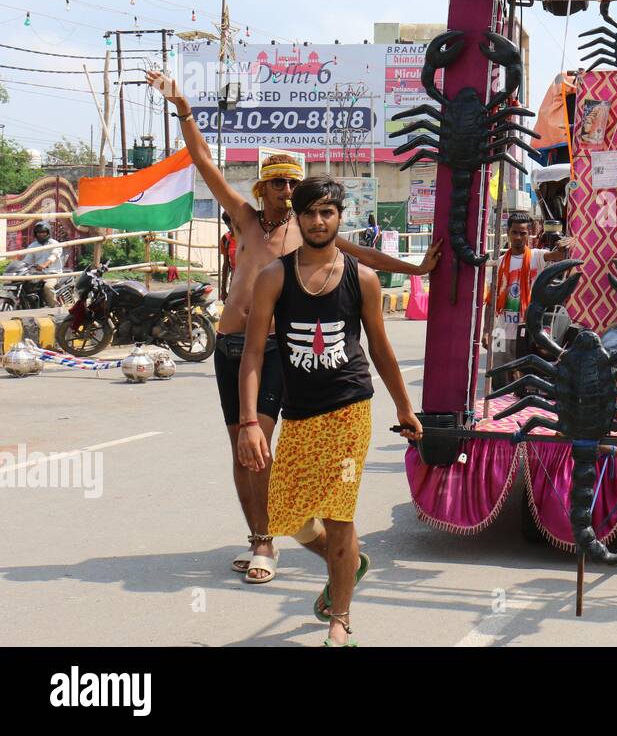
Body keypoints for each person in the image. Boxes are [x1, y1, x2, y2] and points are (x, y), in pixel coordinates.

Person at [145, 69, 442, 584]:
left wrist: (416, 270)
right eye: (276, 182)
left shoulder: (310, 232)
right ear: (261, 188)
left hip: (287, 352)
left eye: (291, 183)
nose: (284, 191)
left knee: (274, 442)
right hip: (235, 348)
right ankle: (262, 540)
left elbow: (363, 256)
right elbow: (204, 162)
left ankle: (311, 547)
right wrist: (184, 108)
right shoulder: (242, 218)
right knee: (246, 443)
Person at [237, 176, 423, 646]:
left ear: (341, 217)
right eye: (309, 213)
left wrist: (404, 406)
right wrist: (248, 423)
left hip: (348, 410)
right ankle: (349, 563)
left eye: (327, 212)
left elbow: (380, 348)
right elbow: (254, 354)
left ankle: (340, 621)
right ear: (297, 218)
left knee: (340, 514)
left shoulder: (362, 277)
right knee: (286, 516)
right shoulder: (274, 277)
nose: (318, 221)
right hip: (299, 413)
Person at [483, 213, 568, 388]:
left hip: (527, 331)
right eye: (515, 232)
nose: (518, 237)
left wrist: (564, 245)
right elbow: (490, 301)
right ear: (508, 232)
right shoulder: (499, 263)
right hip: (500, 332)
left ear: (529, 234)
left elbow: (557, 256)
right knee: (499, 381)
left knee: (526, 384)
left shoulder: (537, 256)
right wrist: (485, 330)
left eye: (523, 233)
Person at [27, 220, 65, 307]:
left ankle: (54, 307)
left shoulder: (54, 243)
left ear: (48, 232)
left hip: (53, 273)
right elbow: (27, 260)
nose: (41, 234)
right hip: (37, 274)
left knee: (47, 287)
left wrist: (44, 265)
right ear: (35, 234)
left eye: (43, 232)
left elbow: (53, 257)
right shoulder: (33, 246)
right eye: (38, 232)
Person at [219, 212, 237, 301]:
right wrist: (223, 290)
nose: (232, 229)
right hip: (235, 278)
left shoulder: (248, 237)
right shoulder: (225, 239)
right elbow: (225, 265)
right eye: (229, 227)